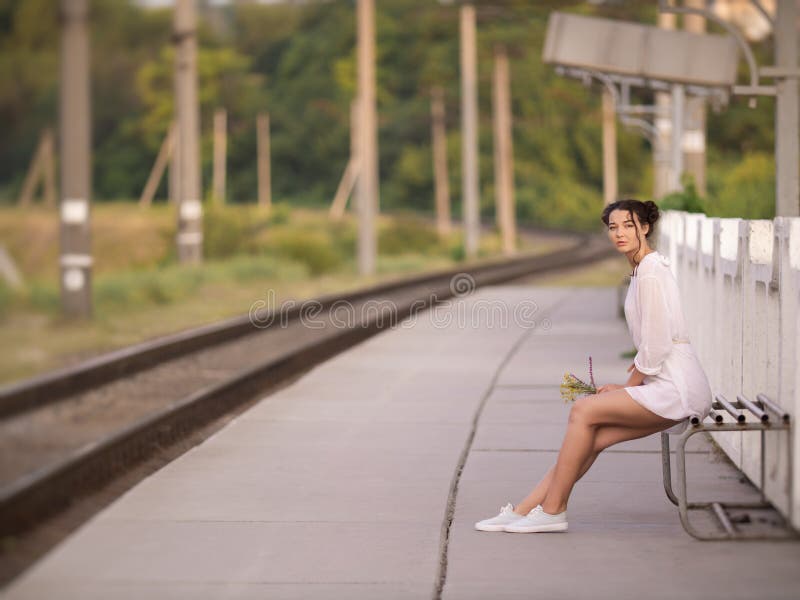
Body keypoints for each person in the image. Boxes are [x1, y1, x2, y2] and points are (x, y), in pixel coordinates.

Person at [474, 198, 713, 533]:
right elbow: (652, 345)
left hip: (678, 388)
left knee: (583, 411)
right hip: (669, 384)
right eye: (613, 227)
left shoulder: (650, 272)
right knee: (593, 437)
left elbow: (657, 344)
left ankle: (553, 510)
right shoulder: (644, 269)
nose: (619, 233)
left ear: (645, 227)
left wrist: (629, 387)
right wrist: (628, 387)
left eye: (628, 225)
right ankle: (524, 510)